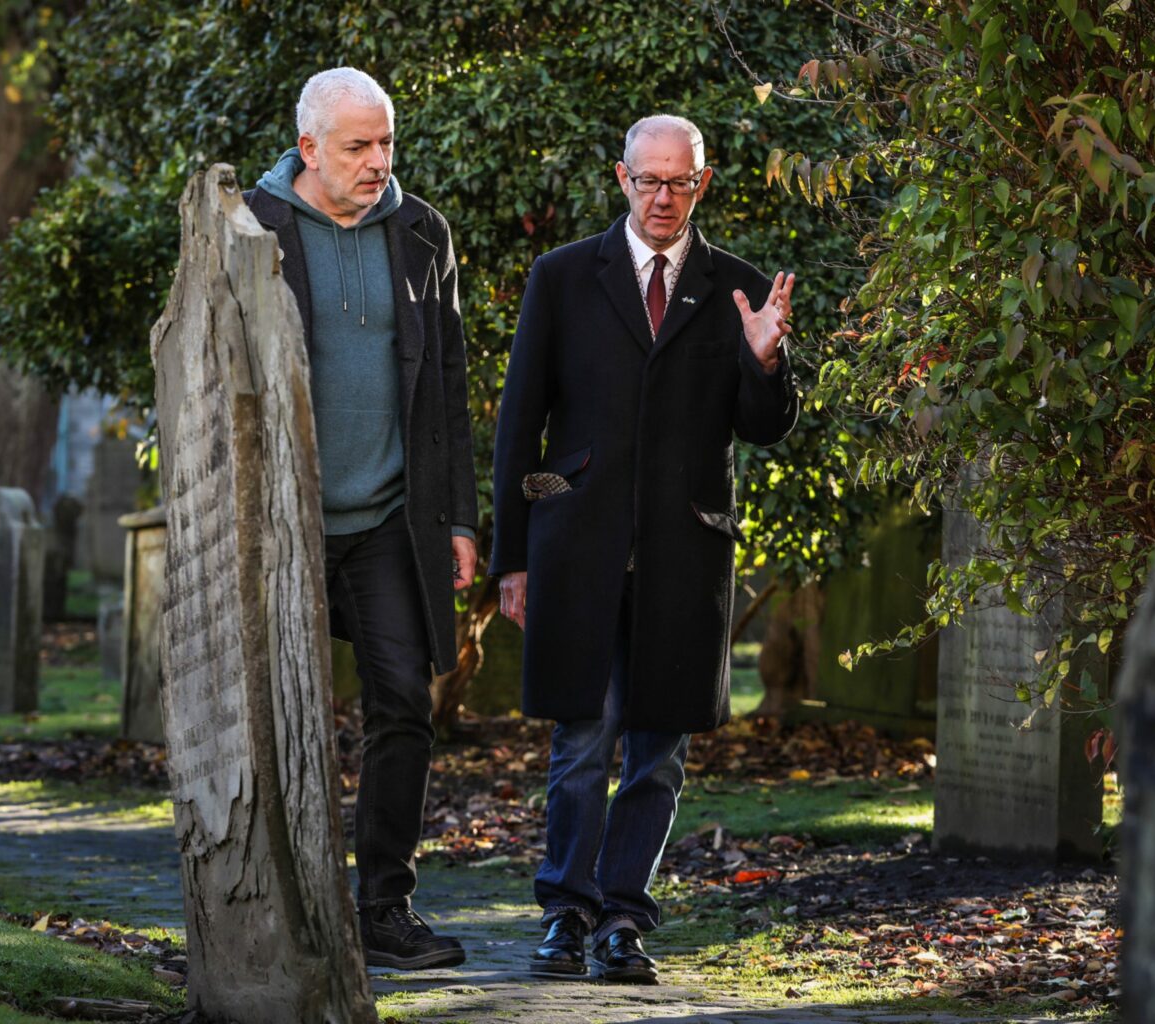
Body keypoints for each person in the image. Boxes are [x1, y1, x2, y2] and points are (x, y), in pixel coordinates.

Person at [489, 114, 799, 984]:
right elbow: (522, 427)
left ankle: (625, 919)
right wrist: (515, 556)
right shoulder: (560, 278)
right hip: (576, 548)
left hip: (684, 553)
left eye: (681, 182)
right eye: (647, 180)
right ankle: (566, 913)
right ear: (620, 178)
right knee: (582, 741)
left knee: (659, 749)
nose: (663, 198)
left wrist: (765, 363)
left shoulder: (737, 287)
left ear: (704, 183)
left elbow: (762, 429)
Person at [244, 67, 478, 970]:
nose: (379, 161)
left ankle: (384, 909)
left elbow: (448, 384)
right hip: (283, 520)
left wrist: (458, 517)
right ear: (309, 150)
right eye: (358, 146)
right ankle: (278, 909)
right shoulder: (251, 228)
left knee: (403, 704)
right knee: (278, 711)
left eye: (386, 143)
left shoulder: (422, 233)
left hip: (388, 517)